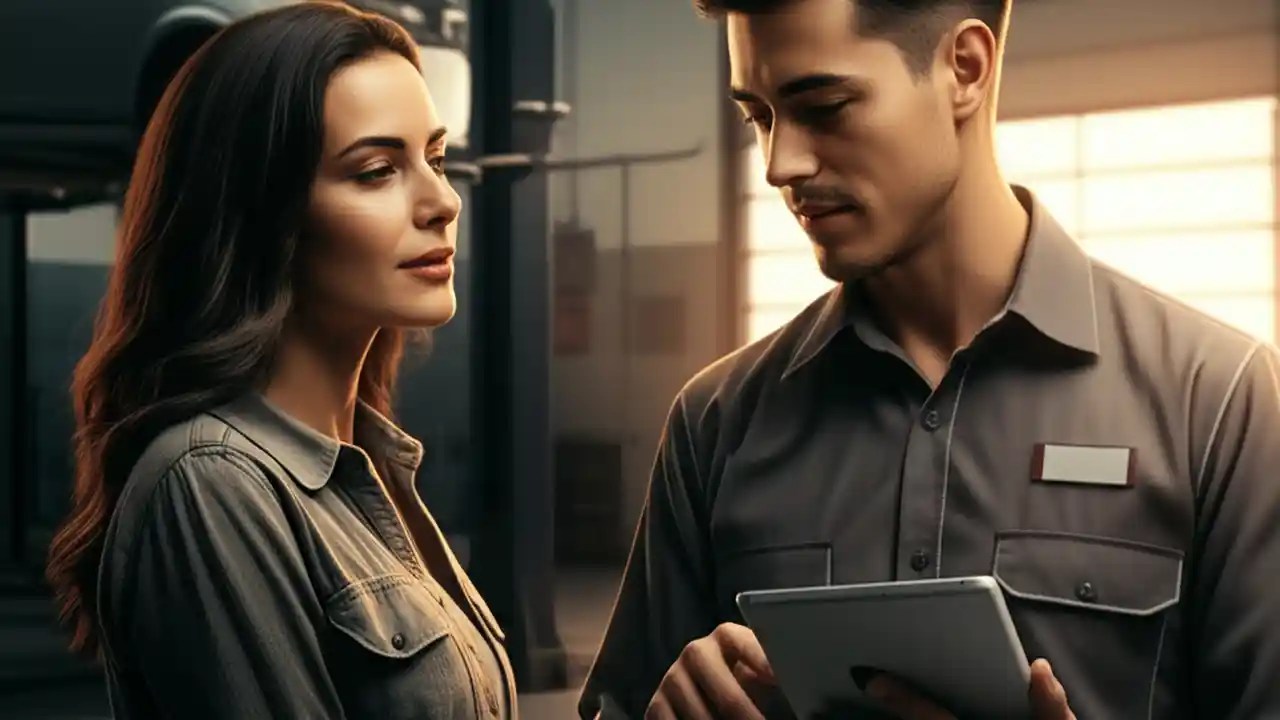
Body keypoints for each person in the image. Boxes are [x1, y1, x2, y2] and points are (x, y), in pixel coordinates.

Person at [579, 0, 1280, 718]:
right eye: (757, 117)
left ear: (964, 69)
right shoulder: (715, 422)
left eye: (823, 106)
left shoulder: (1218, 403)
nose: (778, 164)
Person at [43, 3, 515, 718]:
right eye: (378, 170)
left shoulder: (372, 467)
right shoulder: (209, 485)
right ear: (261, 212)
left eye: (437, 159)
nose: (443, 201)